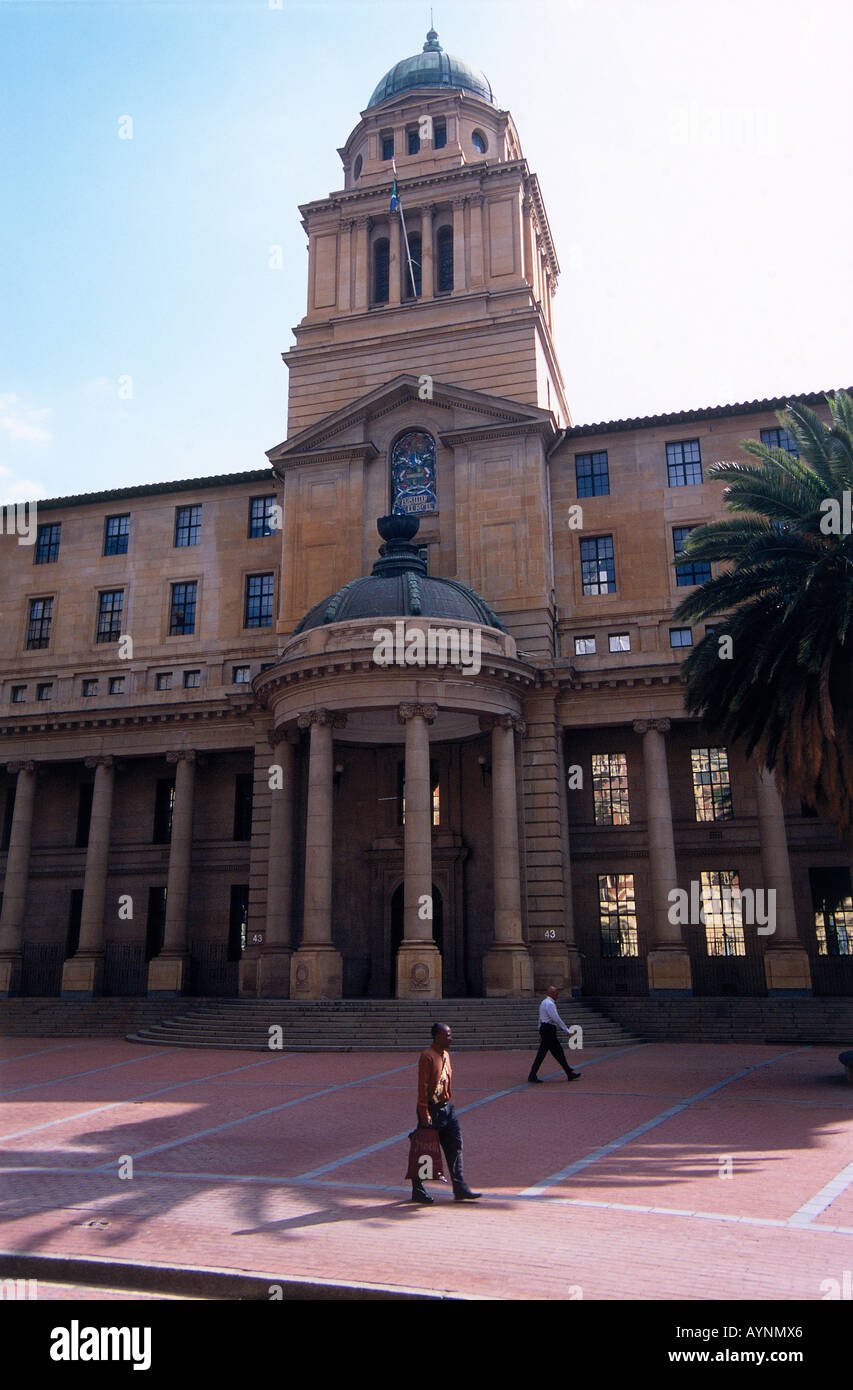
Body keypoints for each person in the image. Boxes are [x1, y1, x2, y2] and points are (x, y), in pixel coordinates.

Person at [410, 1022, 482, 1205]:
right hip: (431, 1109)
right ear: (436, 1037)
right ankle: (418, 1190)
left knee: (455, 1146)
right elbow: (423, 1086)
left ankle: (459, 1187)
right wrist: (423, 1111)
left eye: (450, 1034)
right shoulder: (427, 1056)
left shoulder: (446, 1055)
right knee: (425, 1151)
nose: (450, 1038)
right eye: (447, 1035)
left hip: (447, 1108)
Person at [527, 985, 582, 1083]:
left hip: (545, 1029)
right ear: (551, 993)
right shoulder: (550, 1004)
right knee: (547, 1053)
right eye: (556, 993)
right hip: (549, 1030)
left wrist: (540, 1031)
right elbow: (556, 1018)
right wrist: (567, 1030)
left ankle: (568, 1072)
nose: (557, 994)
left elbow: (540, 1019)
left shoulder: (544, 1003)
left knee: (556, 1052)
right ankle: (532, 1075)